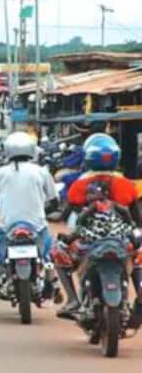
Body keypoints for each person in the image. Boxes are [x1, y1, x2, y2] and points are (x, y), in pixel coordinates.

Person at [54, 133, 142, 318]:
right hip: (122, 240)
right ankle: (140, 295)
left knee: (58, 252)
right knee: (137, 258)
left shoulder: (80, 185)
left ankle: (72, 300)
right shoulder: (126, 185)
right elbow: (136, 218)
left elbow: (69, 215)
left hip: (89, 241)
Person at [0, 132, 58, 292]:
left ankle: (1, 274)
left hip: (9, 226)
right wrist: (44, 211)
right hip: (37, 225)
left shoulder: (0, 173)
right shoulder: (41, 171)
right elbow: (54, 201)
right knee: (50, 247)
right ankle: (52, 279)